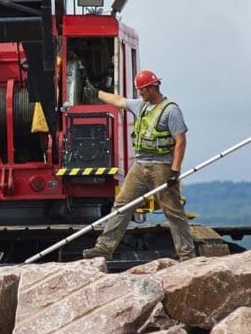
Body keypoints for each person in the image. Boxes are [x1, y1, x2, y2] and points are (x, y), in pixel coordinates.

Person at [83, 69, 196, 261]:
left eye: (143, 90)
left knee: (173, 210)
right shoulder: (140, 106)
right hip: (140, 166)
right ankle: (103, 249)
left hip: (163, 167)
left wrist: (174, 171)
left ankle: (187, 255)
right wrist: (97, 93)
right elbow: (119, 101)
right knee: (122, 205)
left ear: (152, 88)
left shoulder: (171, 110)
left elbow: (180, 141)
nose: (140, 94)